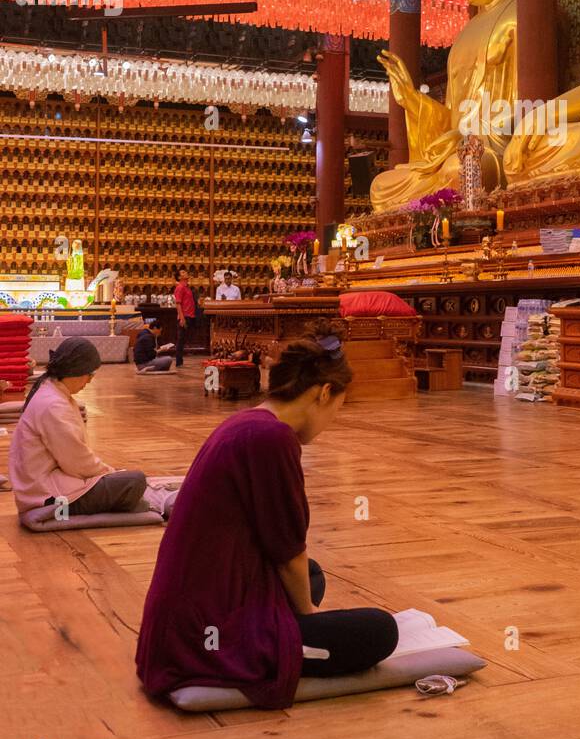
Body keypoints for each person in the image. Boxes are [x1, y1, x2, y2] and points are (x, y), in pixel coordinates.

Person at [136, 339, 399, 709]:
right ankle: (285, 642)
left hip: (184, 615)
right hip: (206, 634)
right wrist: (307, 621)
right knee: (380, 631)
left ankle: (292, 628)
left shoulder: (248, 422)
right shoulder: (272, 439)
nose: (332, 421)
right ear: (324, 393)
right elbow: (287, 549)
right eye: (338, 408)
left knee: (313, 575)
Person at [9, 338, 149, 517]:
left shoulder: (50, 391)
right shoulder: (53, 405)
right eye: (91, 374)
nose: (90, 381)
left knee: (124, 480)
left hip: (43, 487)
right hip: (50, 498)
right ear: (77, 371)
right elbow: (76, 462)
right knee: (135, 481)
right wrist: (108, 473)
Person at [173, 266, 196, 368]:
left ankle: (180, 361)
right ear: (179, 277)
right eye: (182, 272)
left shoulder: (187, 287)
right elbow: (178, 304)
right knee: (181, 340)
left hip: (190, 315)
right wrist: (181, 318)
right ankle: (178, 362)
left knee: (184, 339)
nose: (185, 272)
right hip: (184, 316)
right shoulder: (180, 287)